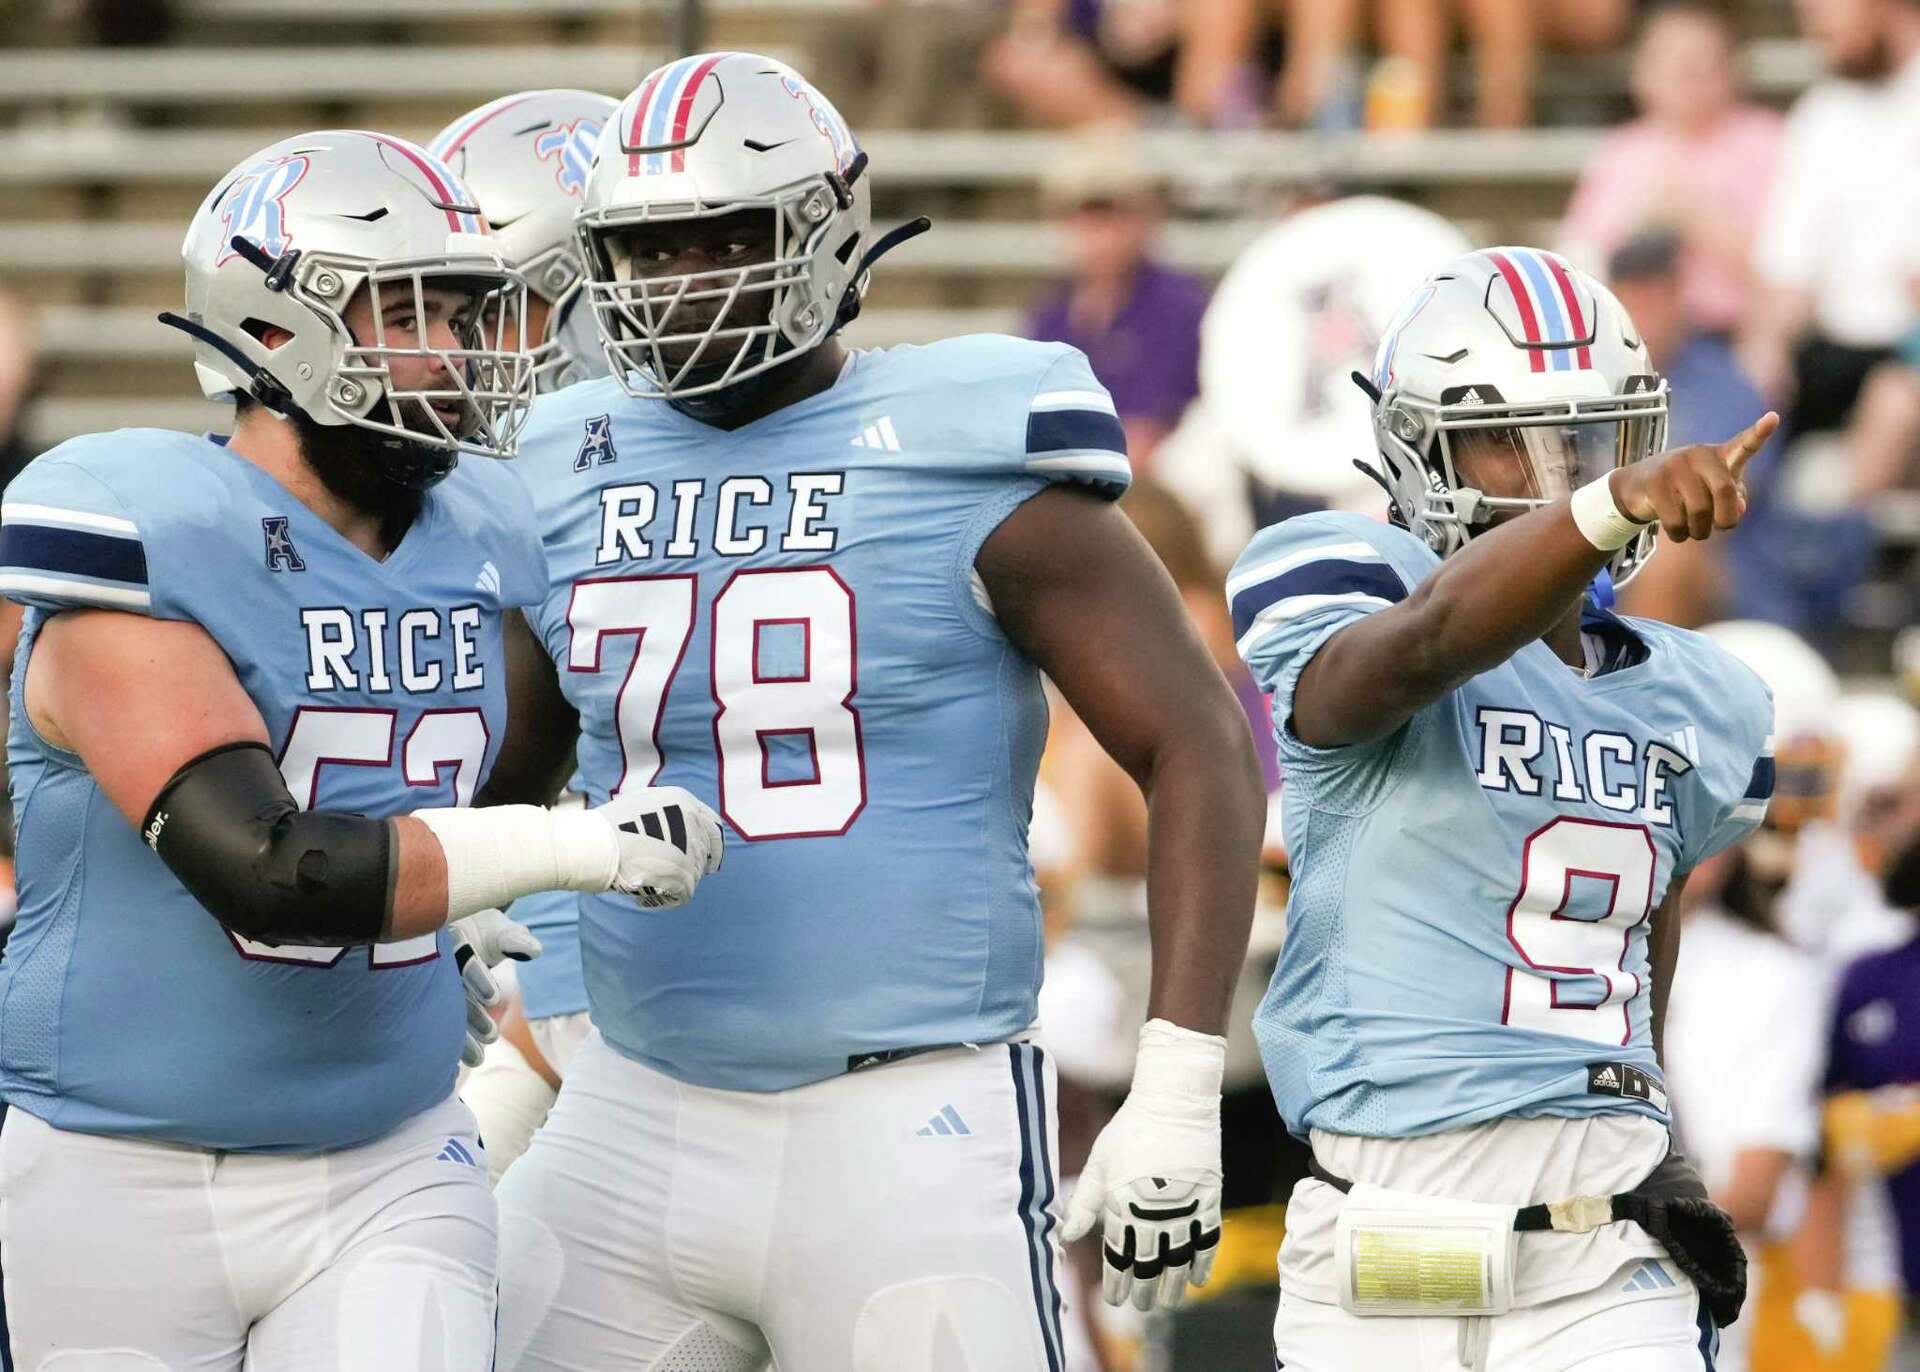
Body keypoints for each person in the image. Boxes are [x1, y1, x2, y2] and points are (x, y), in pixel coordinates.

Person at [486, 52, 1266, 1372]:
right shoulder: (563, 458)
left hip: (910, 1117)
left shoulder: (966, 434)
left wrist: (1179, 1079)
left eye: (724, 235)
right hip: (631, 1110)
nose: (685, 282)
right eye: (650, 249)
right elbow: (500, 782)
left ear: (828, 224)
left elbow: (1194, 740)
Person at [0, 129, 721, 1368]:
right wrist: (564, 848)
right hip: (119, 1168)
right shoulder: (151, 531)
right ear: (274, 331)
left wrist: (459, 904)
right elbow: (275, 870)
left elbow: (512, 746)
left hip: (391, 1156)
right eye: (413, 311)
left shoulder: (481, 527)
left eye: (469, 310)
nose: (460, 351)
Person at [1233, 246, 1779, 1368]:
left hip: (1601, 1246)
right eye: (1509, 441)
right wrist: (1602, 504)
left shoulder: (1700, 695)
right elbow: (1413, 650)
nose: (1556, 475)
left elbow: (1646, 897)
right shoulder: (1351, 579)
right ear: (1416, 448)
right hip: (1380, 1219)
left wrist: (1655, 1120)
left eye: (1590, 442)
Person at [428, 87, 620, 1185]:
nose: (457, 348)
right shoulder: (490, 493)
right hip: (546, 1015)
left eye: (484, 308)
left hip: (688, 1034)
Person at [1560, 1, 1782, 339]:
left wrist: (1697, 219)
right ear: (1642, 70)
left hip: (1732, 335)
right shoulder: (1621, 151)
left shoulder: (1766, 141)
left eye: (1701, 60)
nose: (1688, 74)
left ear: (1731, 67)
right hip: (1627, 334)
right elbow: (1579, 263)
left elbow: (1789, 266)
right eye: (1673, 60)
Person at [1022, 137, 1211, 472]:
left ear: (1144, 220)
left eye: (1112, 218)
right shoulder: (1051, 314)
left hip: (1157, 481)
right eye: (1086, 220)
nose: (1100, 237)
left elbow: (1148, 432)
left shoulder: (1177, 305)